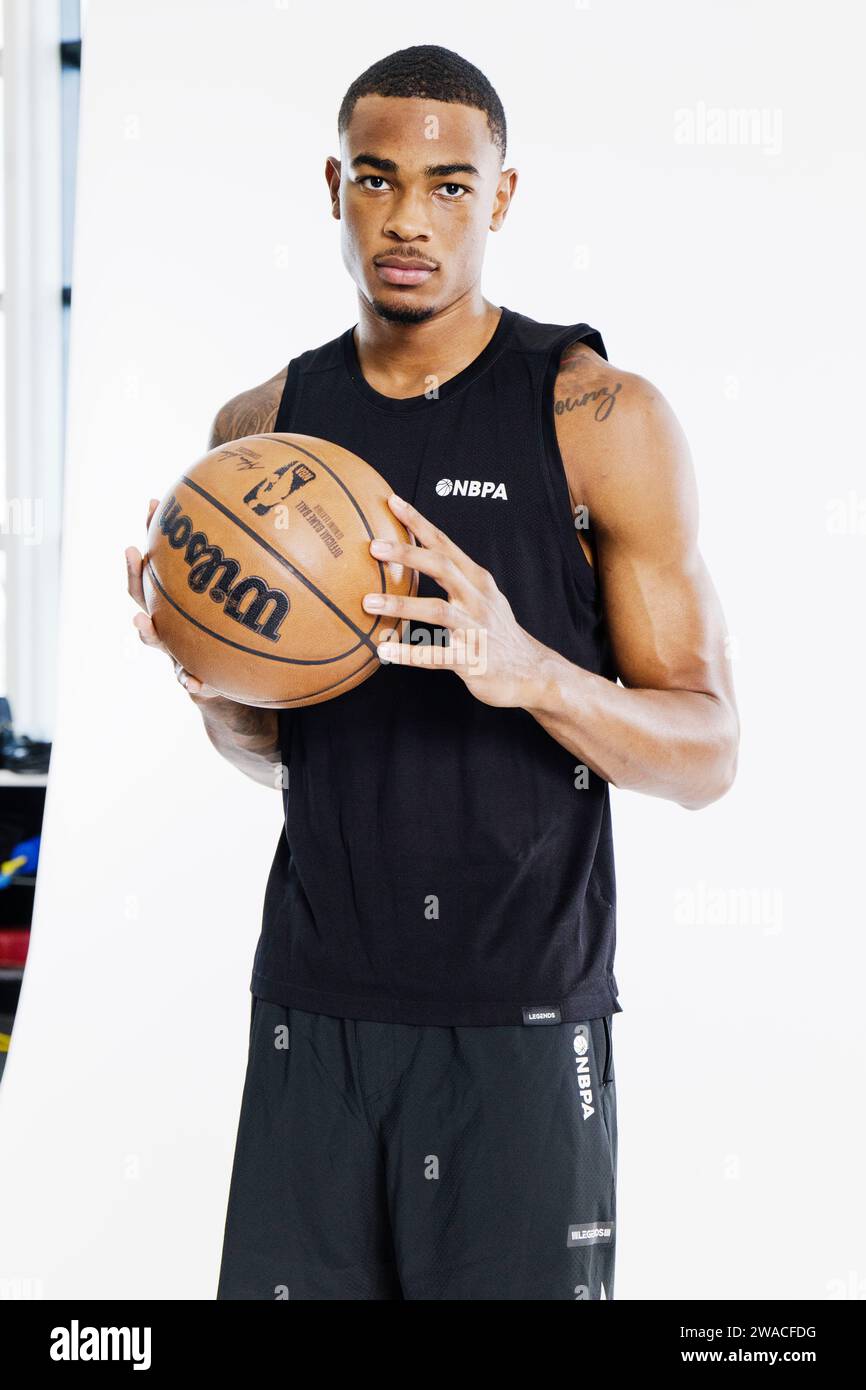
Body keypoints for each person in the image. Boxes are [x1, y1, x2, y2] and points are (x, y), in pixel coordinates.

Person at [125, 44, 739, 1301]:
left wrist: (530, 670)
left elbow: (708, 752)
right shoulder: (259, 432)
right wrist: (212, 677)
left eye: (451, 185)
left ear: (501, 198)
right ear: (334, 185)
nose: (408, 218)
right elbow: (268, 750)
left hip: (519, 1022)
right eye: (378, 178)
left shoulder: (595, 418)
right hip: (315, 1007)